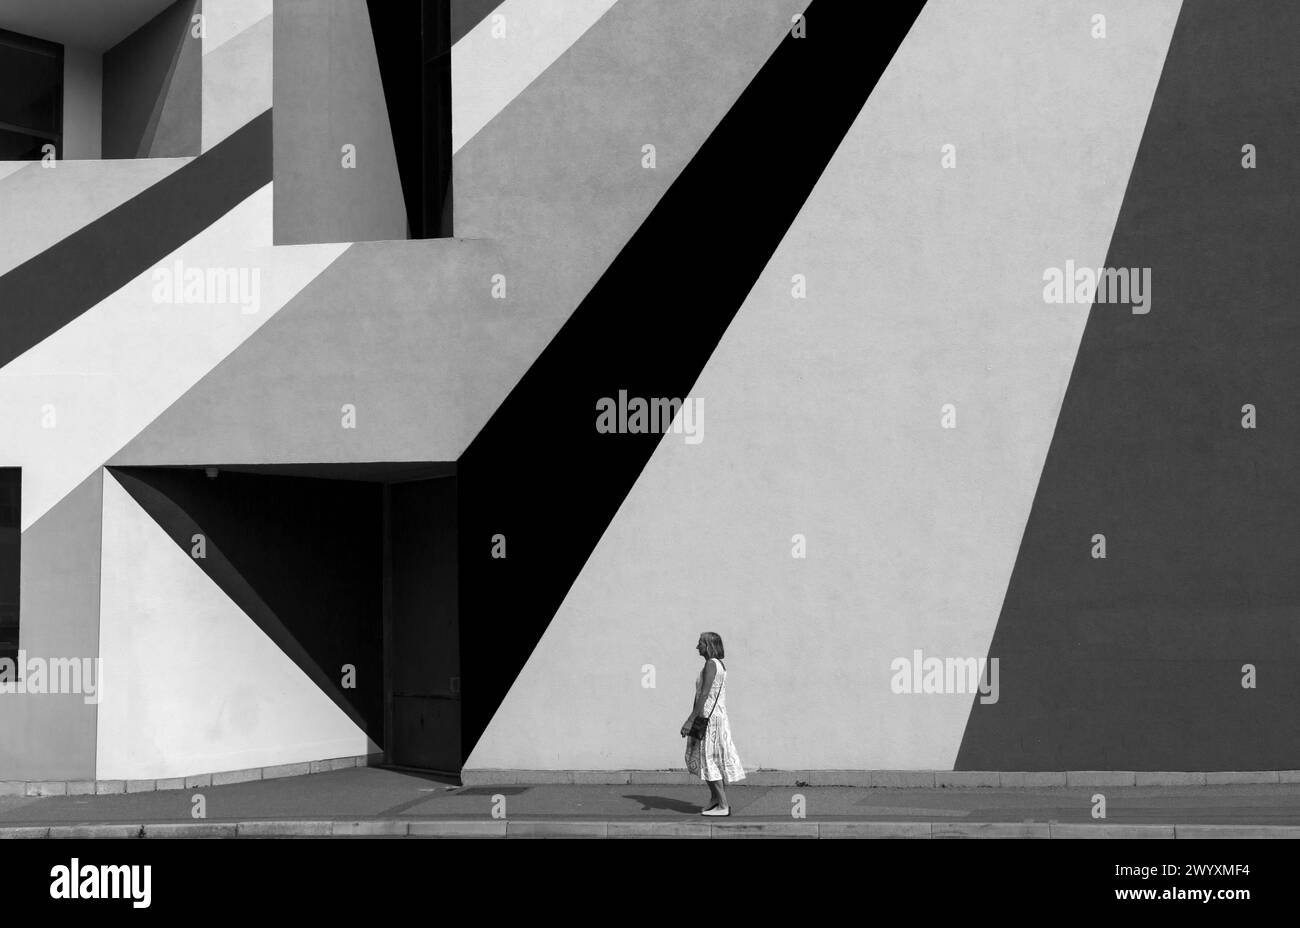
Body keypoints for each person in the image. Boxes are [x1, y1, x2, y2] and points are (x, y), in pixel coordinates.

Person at [681, 631, 745, 815]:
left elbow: (704, 694)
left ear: (708, 645)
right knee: (709, 759)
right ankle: (715, 799)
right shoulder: (719, 664)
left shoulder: (711, 664)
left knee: (707, 760)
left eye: (700, 643)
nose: (697, 646)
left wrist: (690, 720)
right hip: (715, 717)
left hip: (708, 720)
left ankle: (723, 805)